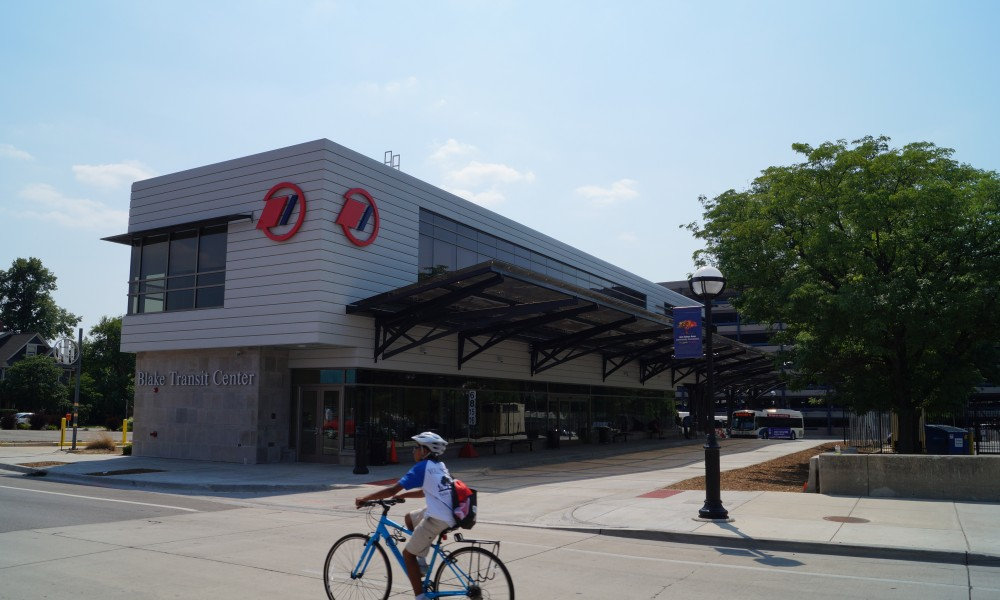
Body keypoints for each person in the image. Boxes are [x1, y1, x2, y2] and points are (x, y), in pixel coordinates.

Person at [355, 431, 456, 600]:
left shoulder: (422, 467)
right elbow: (426, 492)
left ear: (425, 451)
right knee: (410, 517)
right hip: (449, 511)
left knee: (407, 555)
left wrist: (365, 498)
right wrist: (403, 496)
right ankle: (421, 563)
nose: (413, 451)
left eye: (416, 447)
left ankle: (420, 596)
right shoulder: (439, 466)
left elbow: (392, 489)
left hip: (438, 517)